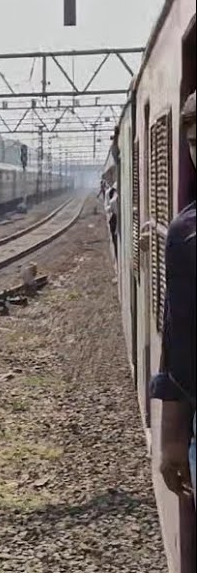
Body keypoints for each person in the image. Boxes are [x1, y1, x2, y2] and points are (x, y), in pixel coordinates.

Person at [151, 92, 197, 508]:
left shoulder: (187, 232)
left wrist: (171, 438)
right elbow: (180, 339)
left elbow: (180, 342)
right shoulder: (186, 232)